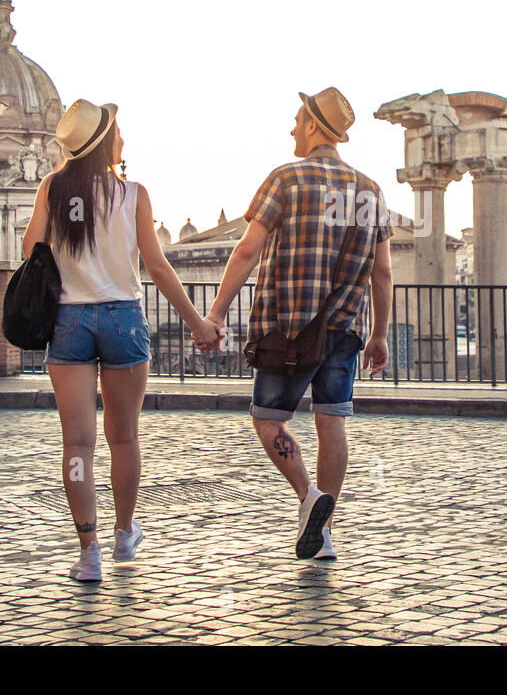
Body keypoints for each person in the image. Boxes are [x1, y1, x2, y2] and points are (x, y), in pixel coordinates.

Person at [23, 99, 221, 582]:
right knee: (124, 436)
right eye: (118, 132)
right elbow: (156, 266)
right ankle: (124, 531)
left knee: (77, 443)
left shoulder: (53, 188)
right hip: (123, 319)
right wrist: (197, 322)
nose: (123, 139)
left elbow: (29, 248)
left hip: (68, 320)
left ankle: (87, 551)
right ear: (106, 142)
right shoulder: (133, 194)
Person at [195, 87, 393, 561]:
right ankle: (323, 534)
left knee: (268, 420)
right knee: (333, 422)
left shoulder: (285, 179)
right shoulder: (371, 190)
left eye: (295, 120)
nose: (290, 129)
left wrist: (217, 311)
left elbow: (247, 250)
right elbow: (382, 272)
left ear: (311, 125)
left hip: (286, 327)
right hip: (345, 329)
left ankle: (308, 496)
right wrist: (381, 334)